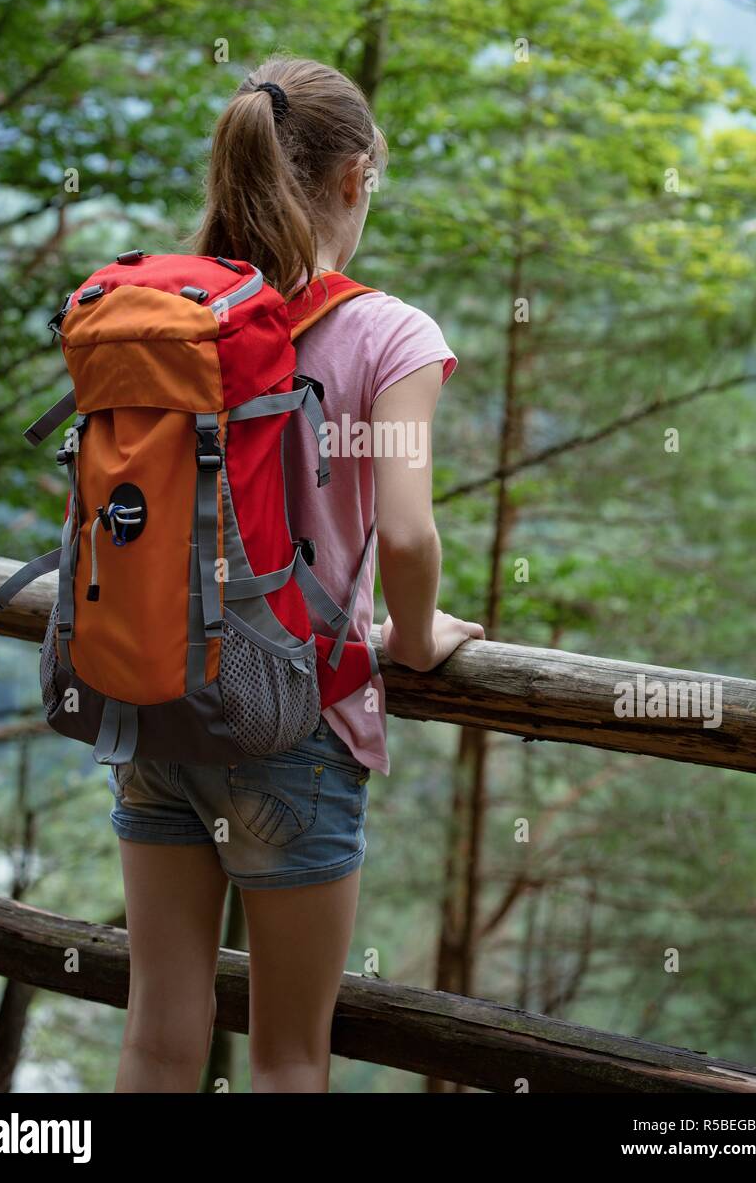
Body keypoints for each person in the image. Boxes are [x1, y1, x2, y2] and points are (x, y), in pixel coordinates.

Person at [110, 55, 485, 1093]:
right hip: (292, 725)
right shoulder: (389, 332)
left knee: (156, 1035)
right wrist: (412, 641)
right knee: (286, 1056)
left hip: (147, 696)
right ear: (356, 176)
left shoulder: (165, 310)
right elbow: (406, 538)